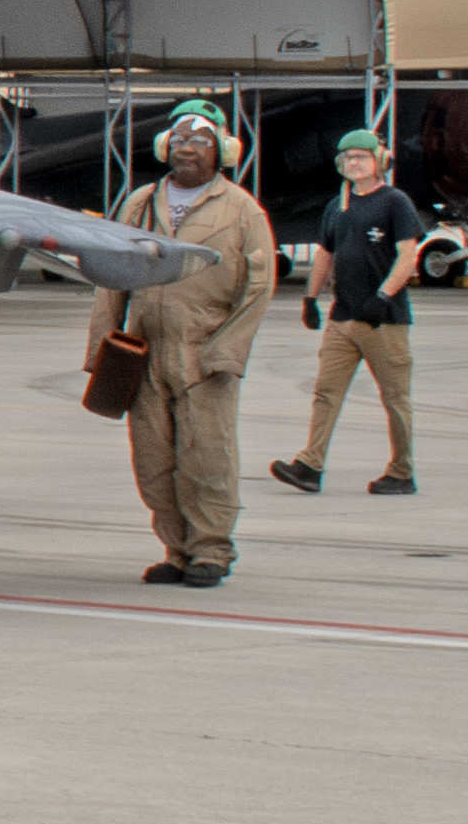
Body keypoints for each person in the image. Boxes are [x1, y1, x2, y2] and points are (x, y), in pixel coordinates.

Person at [87, 99, 275, 587]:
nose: (189, 149)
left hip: (204, 352)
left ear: (224, 151)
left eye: (202, 140)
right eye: (181, 140)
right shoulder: (140, 203)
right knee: (153, 456)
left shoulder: (241, 210)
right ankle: (175, 548)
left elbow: (258, 287)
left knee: (206, 456)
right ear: (165, 146)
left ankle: (211, 551)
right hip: (144, 350)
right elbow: (111, 275)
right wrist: (101, 348)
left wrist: (226, 351)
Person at [272, 126, 428, 497]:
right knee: (326, 391)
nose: (354, 163)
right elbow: (326, 252)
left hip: (384, 321)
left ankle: (402, 471)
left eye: (361, 157)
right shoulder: (336, 205)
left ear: (380, 161)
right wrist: (310, 298)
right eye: (348, 157)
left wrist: (384, 295)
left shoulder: (395, 202)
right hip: (343, 319)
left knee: (395, 399)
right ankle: (310, 464)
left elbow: (409, 255)